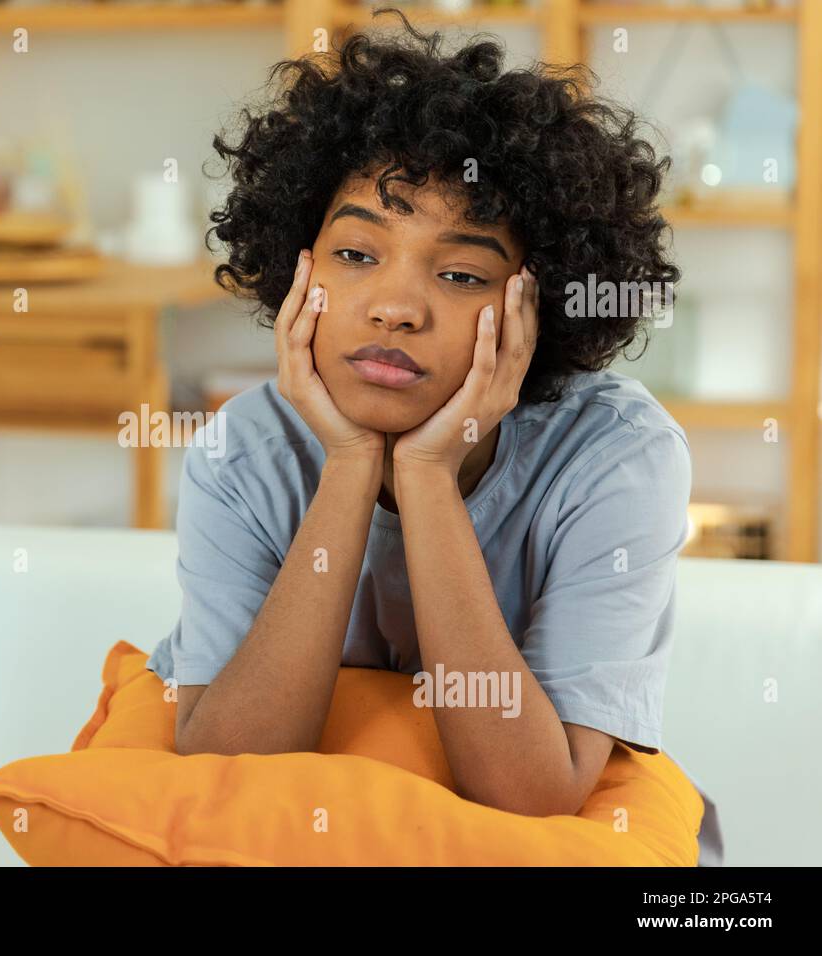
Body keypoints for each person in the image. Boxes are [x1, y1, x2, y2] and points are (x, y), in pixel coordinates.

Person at [145, 8, 723, 865]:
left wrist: (426, 475)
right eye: (355, 255)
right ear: (299, 265)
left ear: (538, 303)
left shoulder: (617, 458)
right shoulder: (245, 452)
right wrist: (349, 464)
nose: (395, 307)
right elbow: (230, 759)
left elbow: (532, 794)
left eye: (460, 274)